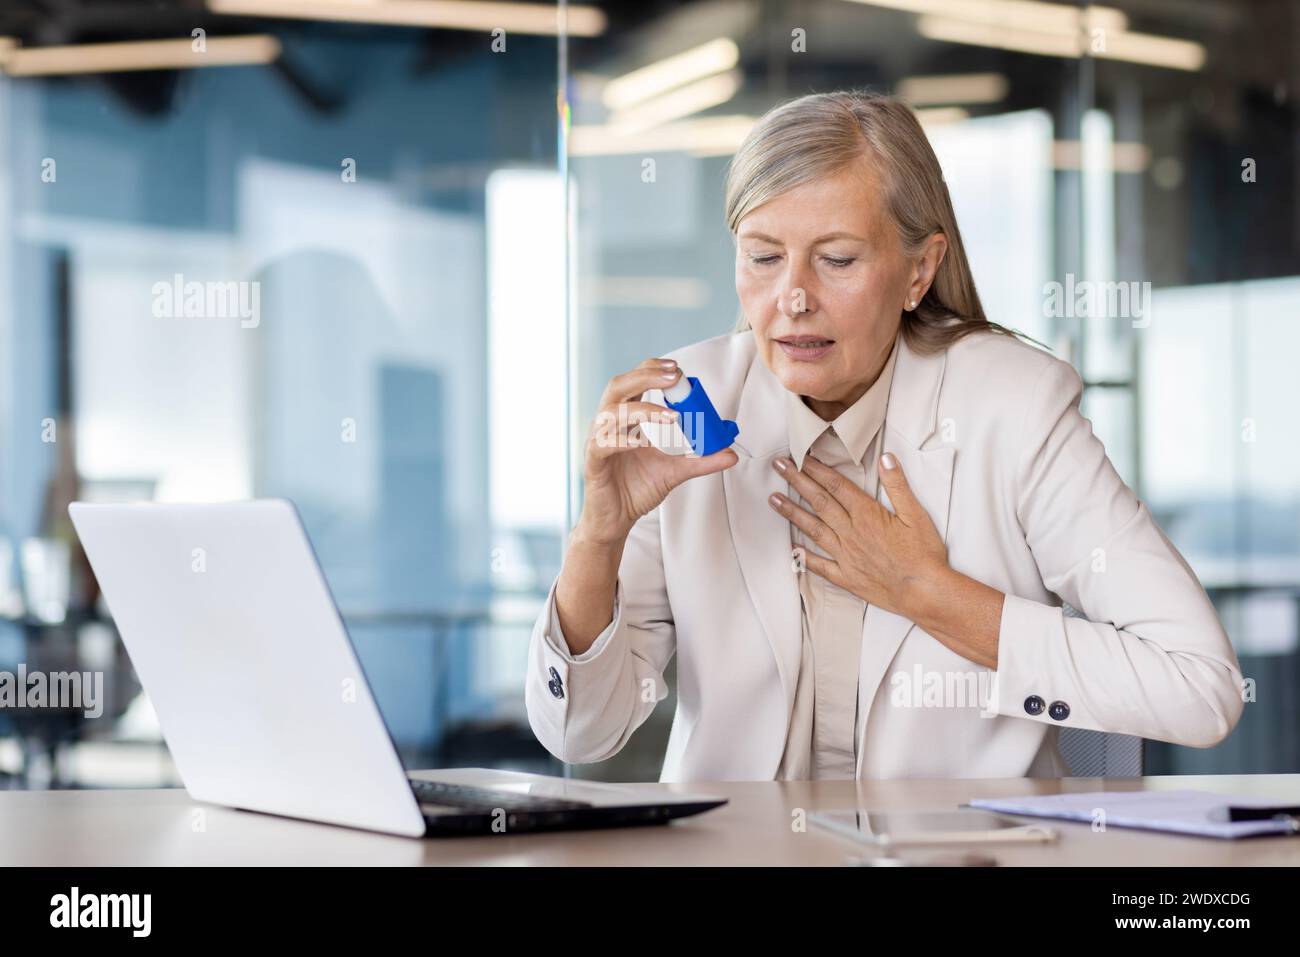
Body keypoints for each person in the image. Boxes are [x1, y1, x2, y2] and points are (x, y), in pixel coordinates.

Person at [526, 90, 1244, 782]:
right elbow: (582, 732)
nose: (794, 297)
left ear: (918, 270)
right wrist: (600, 533)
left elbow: (1201, 683)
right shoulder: (694, 406)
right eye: (763, 256)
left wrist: (930, 594)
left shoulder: (1013, 406)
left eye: (837, 259)